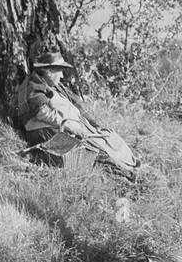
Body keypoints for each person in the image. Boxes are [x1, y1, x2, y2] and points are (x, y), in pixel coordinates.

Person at [14, 46, 140, 179]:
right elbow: (42, 112)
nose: (62, 76)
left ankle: (128, 164)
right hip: (49, 132)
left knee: (108, 138)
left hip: (73, 127)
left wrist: (94, 124)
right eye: (59, 71)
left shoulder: (54, 85)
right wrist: (70, 127)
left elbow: (77, 106)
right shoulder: (33, 86)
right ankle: (123, 173)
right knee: (93, 152)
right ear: (48, 71)